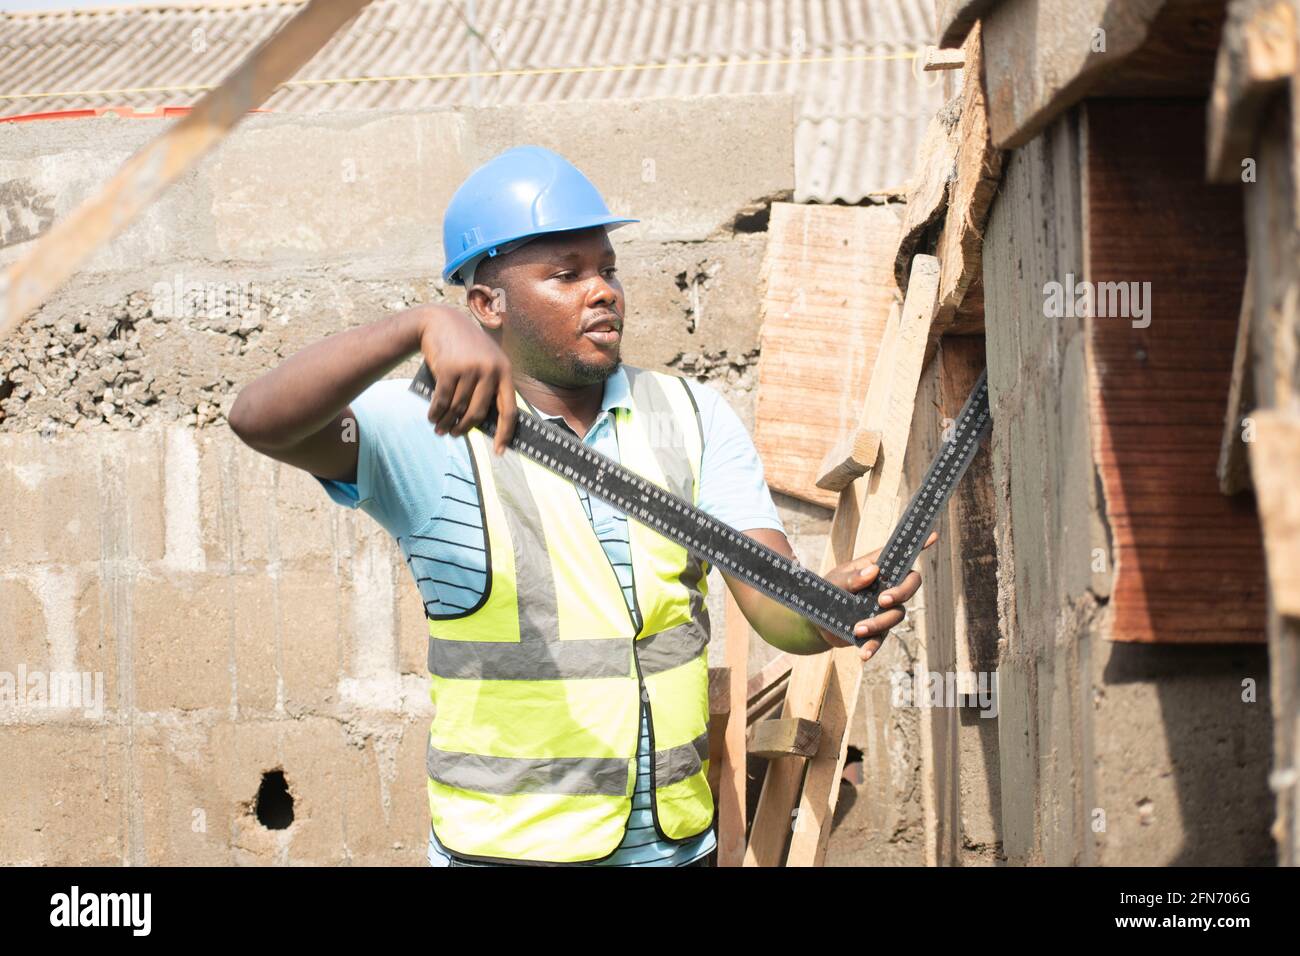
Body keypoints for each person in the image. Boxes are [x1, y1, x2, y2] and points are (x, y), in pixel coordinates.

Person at [228, 145, 930, 867]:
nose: (603, 290)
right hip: (507, 852)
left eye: (607, 268)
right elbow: (259, 418)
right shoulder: (428, 427)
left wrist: (830, 610)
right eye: (565, 274)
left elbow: (772, 602)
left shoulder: (691, 415)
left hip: (675, 845)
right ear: (485, 305)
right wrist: (416, 328)